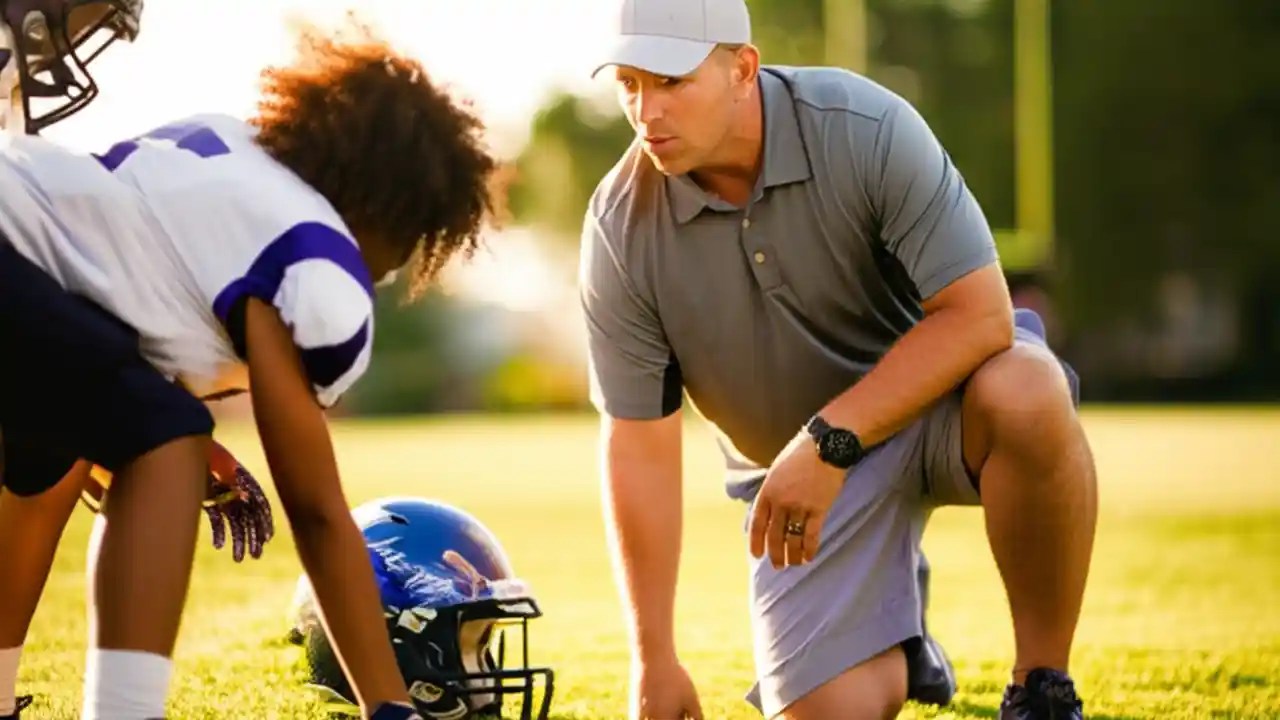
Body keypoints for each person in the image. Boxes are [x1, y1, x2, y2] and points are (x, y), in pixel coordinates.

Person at [579, 0, 1096, 718]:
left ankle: (1041, 683)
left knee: (1029, 388)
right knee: (829, 712)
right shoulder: (618, 226)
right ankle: (901, 634)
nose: (646, 111)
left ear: (743, 68)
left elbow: (982, 315)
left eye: (670, 81)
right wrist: (653, 659)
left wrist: (830, 439)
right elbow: (638, 442)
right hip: (795, 490)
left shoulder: (866, 127)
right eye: (629, 83)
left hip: (931, 415)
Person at [0, 9, 498, 719]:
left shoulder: (228, 150)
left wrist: (194, 448)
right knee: (161, 436)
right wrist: (389, 706)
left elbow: (103, 310)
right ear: (396, 204)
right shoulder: (316, 255)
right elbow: (319, 514)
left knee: (75, 449)